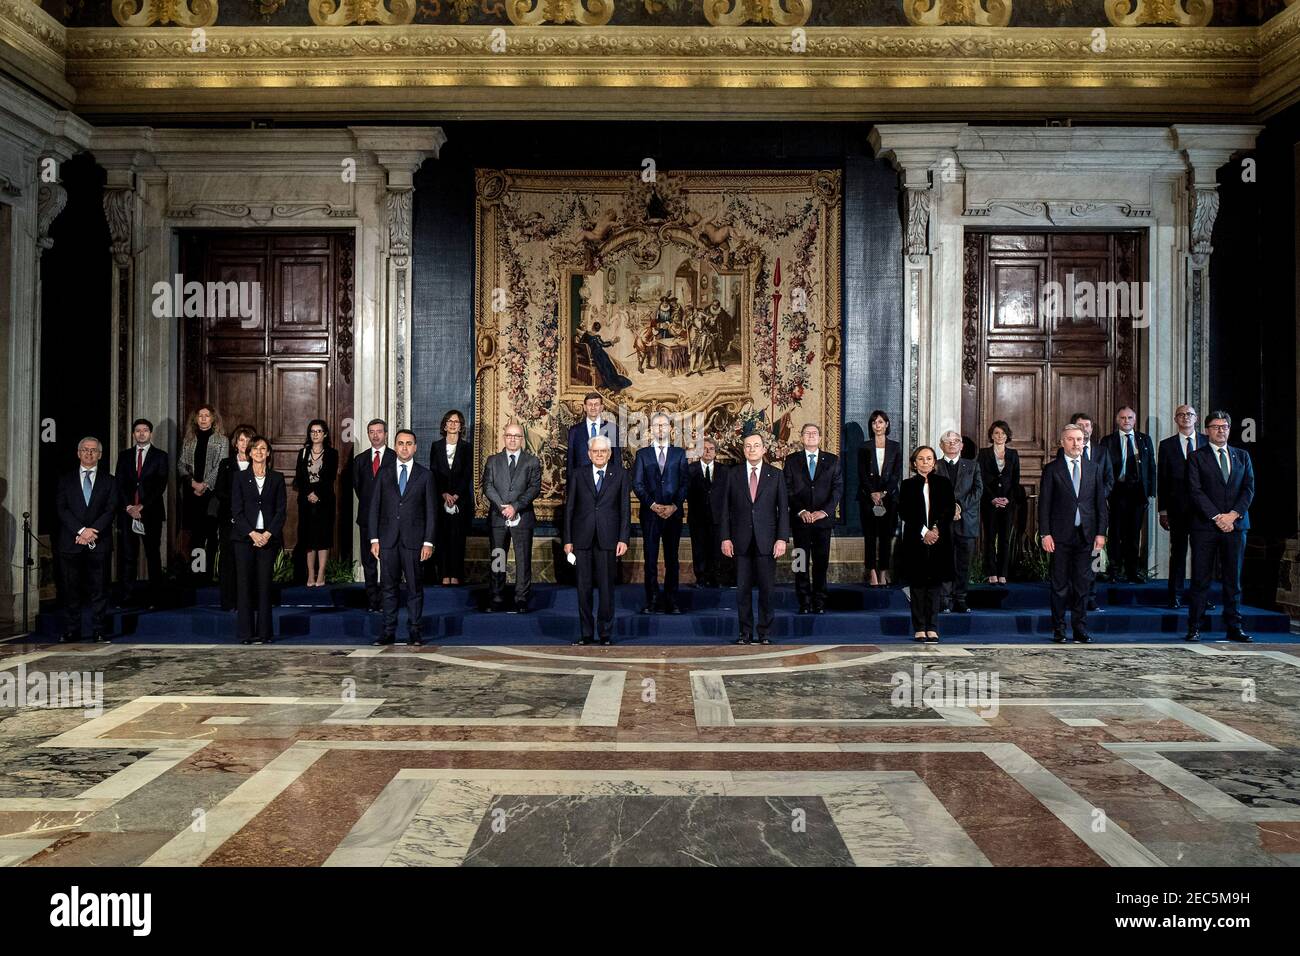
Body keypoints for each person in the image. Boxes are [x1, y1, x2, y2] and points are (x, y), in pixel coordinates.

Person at [1185, 411, 1255, 643]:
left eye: (1224, 426)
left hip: (1235, 526)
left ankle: (1234, 626)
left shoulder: (1242, 456)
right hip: (1205, 527)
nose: (1220, 430)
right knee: (1200, 579)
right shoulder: (1196, 457)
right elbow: (1195, 491)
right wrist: (1217, 517)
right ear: (1206, 430)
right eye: (1215, 427)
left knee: (1232, 580)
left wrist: (1233, 515)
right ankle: (1195, 626)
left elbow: (1248, 489)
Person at [1039, 424, 1108, 644]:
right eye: (1071, 439)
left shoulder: (1094, 468)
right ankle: (1059, 630)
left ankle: (1080, 629)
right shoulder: (1052, 469)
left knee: (1082, 585)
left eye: (1079, 439)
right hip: (1059, 537)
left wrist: (1101, 533)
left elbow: (1100, 505)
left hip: (1086, 536)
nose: (1076, 443)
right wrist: (1045, 534)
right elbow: (1044, 505)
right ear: (1062, 442)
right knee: (1059, 586)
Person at [719, 433, 790, 646]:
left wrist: (782, 539)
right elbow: (725, 510)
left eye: (756, 446)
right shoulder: (733, 474)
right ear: (743, 450)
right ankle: (745, 633)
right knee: (742, 590)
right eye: (748, 446)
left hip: (767, 541)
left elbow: (783, 511)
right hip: (740, 541)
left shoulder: (775, 475)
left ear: (763, 449)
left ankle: (765, 632)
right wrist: (725, 538)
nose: (752, 449)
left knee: (767, 590)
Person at [369, 429, 436, 646]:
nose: (405, 447)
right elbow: (374, 508)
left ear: (415, 447)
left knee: (415, 588)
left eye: (409, 443)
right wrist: (374, 539)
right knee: (388, 588)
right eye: (400, 443)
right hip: (387, 541)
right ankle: (388, 632)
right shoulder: (384, 472)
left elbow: (431, 512)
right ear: (395, 446)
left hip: (414, 542)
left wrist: (428, 541)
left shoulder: (425, 475)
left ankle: (415, 631)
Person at [563, 435, 631, 645]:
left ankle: (605, 633)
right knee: (583, 589)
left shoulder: (620, 474)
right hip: (582, 539)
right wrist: (568, 540)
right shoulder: (578, 474)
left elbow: (624, 510)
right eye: (595, 451)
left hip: (608, 539)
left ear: (609, 454)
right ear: (589, 454)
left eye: (603, 451)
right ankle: (585, 633)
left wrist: (623, 538)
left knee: (606, 589)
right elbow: (570, 509)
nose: (599, 454)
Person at [55, 438, 117, 642]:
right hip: (71, 542)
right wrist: (81, 530)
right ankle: (73, 629)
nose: (89, 454)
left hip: (99, 542)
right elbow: (62, 509)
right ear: (78, 453)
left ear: (100, 454)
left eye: (93, 451)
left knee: (99, 589)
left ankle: (99, 630)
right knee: (71, 589)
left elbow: (111, 509)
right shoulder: (65, 480)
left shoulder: (110, 481)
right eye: (85, 450)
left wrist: (93, 531)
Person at [231, 435, 287, 645]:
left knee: (264, 586)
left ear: (268, 453)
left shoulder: (277, 478)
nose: (259, 452)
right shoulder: (239, 478)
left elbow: (281, 511)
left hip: (268, 538)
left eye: (263, 449)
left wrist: (267, 534)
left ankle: (265, 633)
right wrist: (252, 534)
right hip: (244, 539)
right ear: (249, 452)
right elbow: (237, 511)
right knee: (244, 586)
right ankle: (246, 634)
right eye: (255, 449)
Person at [633, 412, 690, 615]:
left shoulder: (679, 454)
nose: (660, 428)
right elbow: (637, 484)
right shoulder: (642, 454)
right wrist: (652, 504)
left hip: (673, 515)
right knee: (650, 559)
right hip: (650, 514)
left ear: (669, 429)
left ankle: (672, 600)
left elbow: (684, 483)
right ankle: (652, 600)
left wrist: (675, 505)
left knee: (672, 559)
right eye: (656, 425)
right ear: (651, 429)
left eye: (663, 425)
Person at [483, 422, 542, 613]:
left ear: (522, 439)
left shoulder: (531, 461)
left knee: (523, 560)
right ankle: (496, 597)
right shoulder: (493, 460)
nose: (513, 439)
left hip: (522, 517)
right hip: (498, 518)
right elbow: (488, 486)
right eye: (509, 435)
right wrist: (502, 507)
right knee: (497, 558)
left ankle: (521, 598)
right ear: (504, 437)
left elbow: (534, 488)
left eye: (516, 436)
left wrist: (515, 507)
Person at [898, 445, 954, 643]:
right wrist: (924, 531)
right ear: (915, 463)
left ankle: (933, 627)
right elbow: (905, 512)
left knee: (934, 586)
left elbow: (948, 510)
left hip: (939, 540)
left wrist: (936, 530)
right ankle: (919, 627)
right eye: (921, 459)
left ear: (934, 462)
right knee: (918, 585)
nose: (925, 462)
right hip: (916, 540)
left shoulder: (944, 483)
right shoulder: (907, 485)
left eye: (929, 458)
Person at [785, 423, 842, 614]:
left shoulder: (833, 461)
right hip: (800, 522)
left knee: (820, 563)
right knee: (799, 563)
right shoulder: (791, 460)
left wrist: (823, 512)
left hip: (822, 523)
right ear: (801, 437)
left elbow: (837, 489)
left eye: (814, 433)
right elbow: (788, 489)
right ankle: (804, 602)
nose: (811, 436)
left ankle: (819, 602)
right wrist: (801, 511)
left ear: (820, 438)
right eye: (807, 433)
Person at [1157, 405, 1208, 610]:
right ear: (1175, 419)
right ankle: (1175, 595)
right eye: (1181, 415)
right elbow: (1162, 479)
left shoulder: (1206, 441)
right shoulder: (1167, 445)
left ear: (1196, 418)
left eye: (1189, 414)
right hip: (1177, 508)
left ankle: (1201, 596)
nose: (1185, 417)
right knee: (1177, 553)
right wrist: (1163, 511)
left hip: (1204, 509)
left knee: (1202, 555)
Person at [114, 417, 168, 605]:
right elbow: (119, 483)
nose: (142, 433)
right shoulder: (124, 456)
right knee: (128, 555)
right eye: (138, 430)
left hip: (150, 512)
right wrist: (129, 507)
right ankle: (126, 597)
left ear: (150, 434)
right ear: (133, 434)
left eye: (145, 430)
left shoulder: (161, 456)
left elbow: (161, 485)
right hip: (128, 513)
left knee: (152, 555)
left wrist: (141, 506)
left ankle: (156, 598)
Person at [1100, 405, 1156, 584]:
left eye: (1130, 418)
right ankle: (1114, 570)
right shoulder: (1108, 441)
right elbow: (1103, 469)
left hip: (1138, 493)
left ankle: (1132, 570)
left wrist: (1151, 492)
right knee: (1116, 532)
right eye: (1123, 418)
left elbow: (1151, 467)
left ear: (1135, 420)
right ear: (1117, 420)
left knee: (1134, 534)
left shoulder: (1144, 440)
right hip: (1117, 491)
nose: (1126, 421)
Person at [178, 405, 226, 582]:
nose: (204, 418)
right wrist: (192, 483)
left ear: (213, 419)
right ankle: (196, 572)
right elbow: (181, 464)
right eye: (200, 415)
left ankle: (208, 575)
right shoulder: (189, 439)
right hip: (192, 493)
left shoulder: (222, 440)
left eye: (207, 415)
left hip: (211, 494)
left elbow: (221, 465)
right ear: (196, 419)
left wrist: (204, 485)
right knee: (195, 534)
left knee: (211, 533)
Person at [1070, 411, 1113, 610]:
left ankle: (1091, 595)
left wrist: (1093, 496)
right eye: (1081, 425)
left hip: (1095, 513)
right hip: (1073, 516)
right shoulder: (1066, 451)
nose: (1085, 429)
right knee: (1074, 557)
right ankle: (1074, 595)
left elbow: (1109, 480)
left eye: (1088, 426)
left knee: (1095, 556)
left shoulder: (1102, 451)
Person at [937, 430, 982, 613]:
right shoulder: (935, 466)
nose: (953, 444)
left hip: (966, 521)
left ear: (962, 445)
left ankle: (961, 599)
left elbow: (978, 491)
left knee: (964, 563)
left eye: (956, 441)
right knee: (944, 562)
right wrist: (950, 508)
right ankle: (944, 599)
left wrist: (959, 507)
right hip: (943, 523)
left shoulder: (972, 466)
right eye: (948, 441)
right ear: (941, 446)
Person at [351, 418, 394, 612]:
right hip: (367, 518)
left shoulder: (395, 458)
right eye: (371, 431)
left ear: (385, 434)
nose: (375, 435)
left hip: (389, 519)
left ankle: (387, 601)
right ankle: (372, 601)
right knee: (369, 562)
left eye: (379, 431)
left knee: (387, 562)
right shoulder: (359, 460)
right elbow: (359, 488)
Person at [213, 425, 256, 611]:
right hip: (228, 519)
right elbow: (220, 491)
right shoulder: (226, 464)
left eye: (247, 440)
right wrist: (236, 505)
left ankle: (247, 602)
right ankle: (228, 602)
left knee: (248, 562)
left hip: (251, 521)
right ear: (235, 443)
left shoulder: (258, 463)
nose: (244, 443)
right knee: (228, 561)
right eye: (241, 440)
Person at [857, 410, 902, 587]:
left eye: (881, 422)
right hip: (868, 497)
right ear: (871, 426)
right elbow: (861, 473)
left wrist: (884, 493)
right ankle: (872, 573)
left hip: (889, 498)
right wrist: (872, 493)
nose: (878, 425)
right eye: (875, 422)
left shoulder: (895, 446)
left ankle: (884, 572)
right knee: (870, 536)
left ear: (887, 424)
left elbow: (896, 473)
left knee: (885, 536)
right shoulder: (864, 447)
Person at [430, 408, 474, 586]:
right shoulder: (436, 446)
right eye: (450, 421)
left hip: (460, 501)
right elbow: (433, 472)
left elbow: (467, 474)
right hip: (440, 500)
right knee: (442, 539)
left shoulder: (467, 447)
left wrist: (455, 495)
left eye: (456, 422)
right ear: (445, 425)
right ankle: (443, 575)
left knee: (457, 539)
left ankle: (455, 575)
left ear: (461, 425)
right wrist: (444, 494)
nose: (453, 424)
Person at [293, 419, 338, 588]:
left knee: (323, 538)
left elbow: (329, 477)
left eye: (319, 431)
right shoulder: (303, 453)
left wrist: (317, 494)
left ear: (325, 434)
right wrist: (308, 494)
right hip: (306, 501)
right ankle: (310, 573)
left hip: (324, 501)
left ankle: (321, 574)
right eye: (312, 431)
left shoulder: (332, 453)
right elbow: (299, 477)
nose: (315, 434)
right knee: (308, 539)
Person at [977, 420, 1020, 584]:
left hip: (1008, 503)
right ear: (991, 435)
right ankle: (991, 573)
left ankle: (1003, 573)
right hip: (989, 502)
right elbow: (980, 479)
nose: (999, 436)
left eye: (1002, 433)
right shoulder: (984, 453)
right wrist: (992, 498)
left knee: (1004, 539)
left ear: (1007, 435)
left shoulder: (1013, 454)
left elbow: (1015, 479)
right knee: (989, 538)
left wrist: (1008, 498)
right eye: (996, 433)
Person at [687, 437, 728, 587]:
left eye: (711, 449)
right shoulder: (690, 470)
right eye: (704, 448)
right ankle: (701, 578)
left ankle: (716, 578)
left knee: (716, 549)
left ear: (716, 452)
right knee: (699, 548)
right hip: (697, 517)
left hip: (717, 517)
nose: (708, 451)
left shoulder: (724, 471)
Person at [567, 391, 621, 477]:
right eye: (590, 404)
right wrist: (571, 487)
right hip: (582, 481)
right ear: (584, 407)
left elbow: (617, 459)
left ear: (601, 407)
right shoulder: (574, 431)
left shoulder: (612, 429)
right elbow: (570, 461)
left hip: (606, 482)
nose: (593, 407)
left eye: (596, 404)